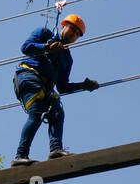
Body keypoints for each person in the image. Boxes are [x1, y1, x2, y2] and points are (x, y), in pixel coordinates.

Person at [10, 14, 99, 166]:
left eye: (77, 34)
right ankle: (20, 156)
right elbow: (25, 47)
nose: (73, 35)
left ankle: (56, 150)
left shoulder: (67, 59)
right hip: (28, 75)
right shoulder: (45, 34)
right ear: (63, 26)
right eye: (72, 29)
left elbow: (62, 87)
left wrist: (82, 86)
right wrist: (46, 47)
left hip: (46, 87)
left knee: (57, 111)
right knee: (37, 112)